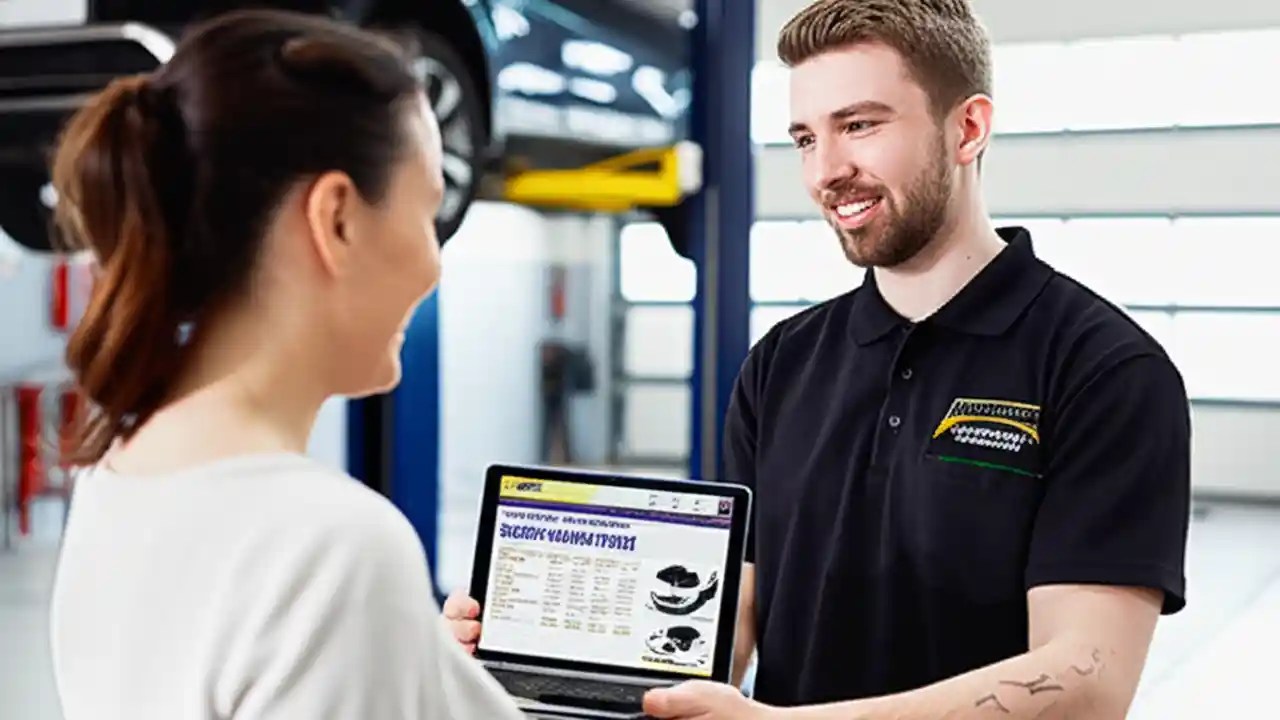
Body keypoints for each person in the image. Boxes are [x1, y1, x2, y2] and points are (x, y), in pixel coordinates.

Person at [447, 1, 1193, 718]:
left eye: (859, 125)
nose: (826, 171)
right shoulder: (782, 363)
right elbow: (725, 622)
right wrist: (546, 655)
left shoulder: (1104, 371)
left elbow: (1084, 687)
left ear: (967, 128)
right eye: (805, 138)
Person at [46, 9, 524, 720]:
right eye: (427, 214)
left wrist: (405, 664)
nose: (434, 264)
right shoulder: (333, 548)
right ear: (336, 219)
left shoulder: (116, 470)